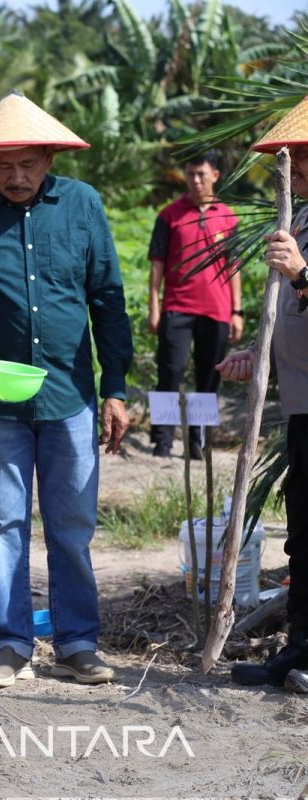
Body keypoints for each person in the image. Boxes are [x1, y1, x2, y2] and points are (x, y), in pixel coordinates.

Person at [0, 91, 132, 689]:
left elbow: (108, 301)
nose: (15, 176)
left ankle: (78, 643)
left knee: (72, 526)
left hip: (71, 396)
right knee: (0, 526)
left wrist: (116, 388)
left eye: (27, 164)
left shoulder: (83, 204)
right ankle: (11, 645)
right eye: (3, 165)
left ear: (48, 158)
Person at [224, 103, 308, 692]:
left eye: (303, 157)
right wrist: (259, 354)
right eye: (292, 157)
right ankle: (298, 650)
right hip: (300, 403)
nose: (293, 166)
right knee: (303, 536)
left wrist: (302, 274)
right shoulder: (300, 217)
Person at [148, 150, 242, 459]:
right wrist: (154, 307)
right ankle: (161, 441)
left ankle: (198, 443)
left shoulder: (228, 217)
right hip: (176, 307)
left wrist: (237, 311)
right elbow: (157, 265)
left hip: (217, 310)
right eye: (190, 174)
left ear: (215, 175)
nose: (195, 180)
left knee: (208, 378)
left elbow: (234, 267)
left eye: (201, 174)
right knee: (170, 372)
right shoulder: (169, 215)